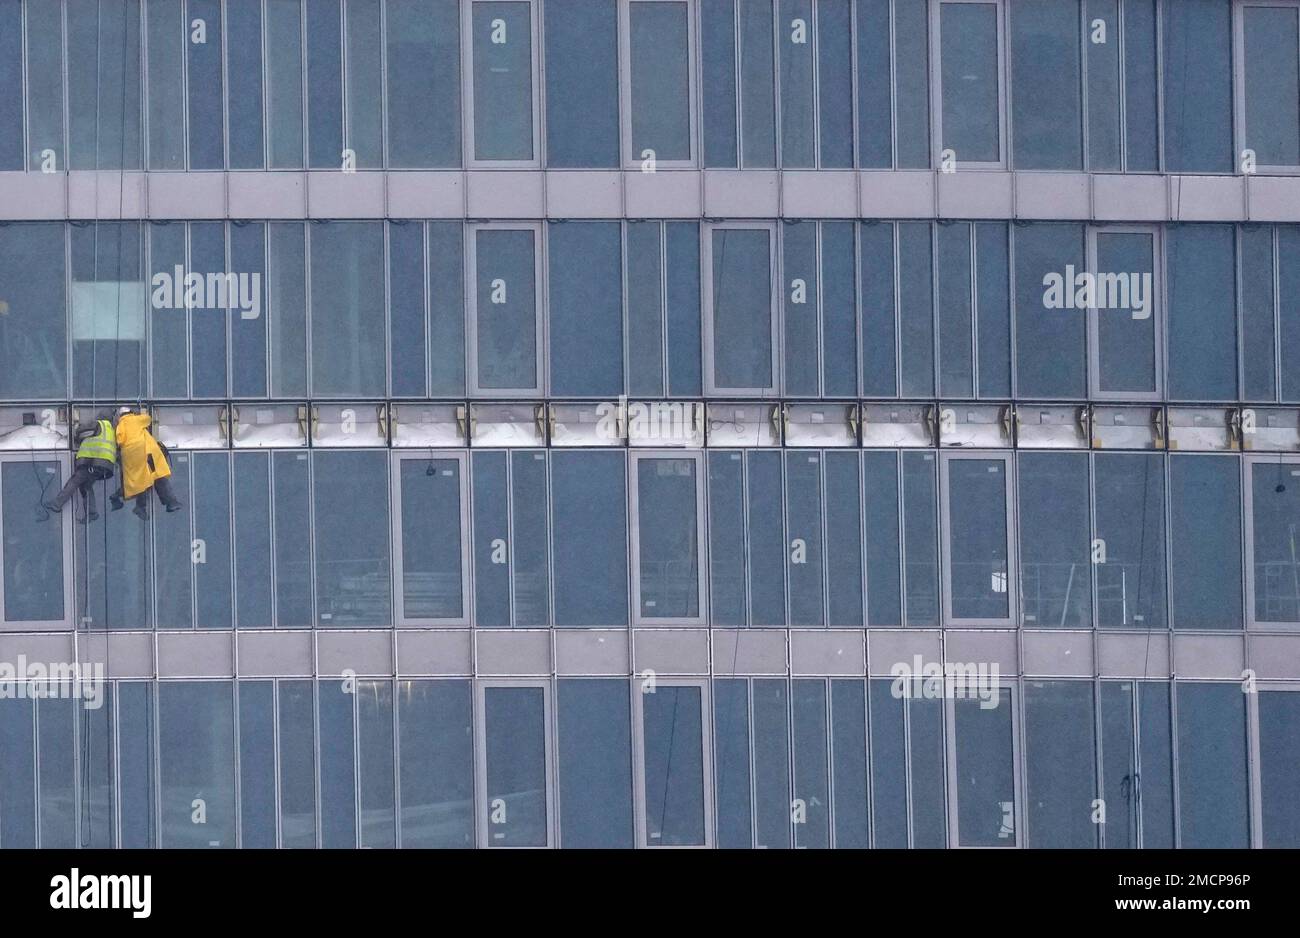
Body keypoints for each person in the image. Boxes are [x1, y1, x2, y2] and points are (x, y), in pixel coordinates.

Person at [109, 406, 183, 520]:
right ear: (130, 413)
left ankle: (139, 506)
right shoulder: (134, 419)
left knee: (139, 481)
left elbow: (119, 440)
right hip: (144, 452)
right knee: (158, 477)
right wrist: (140, 413)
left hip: (129, 456)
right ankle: (171, 502)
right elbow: (148, 419)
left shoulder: (119, 426)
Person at [43, 413, 117, 522]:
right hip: (103, 464)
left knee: (74, 481)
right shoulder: (111, 430)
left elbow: (81, 431)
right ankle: (92, 512)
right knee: (86, 486)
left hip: (93, 461)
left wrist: (76, 431)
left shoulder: (99, 424)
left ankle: (57, 504)